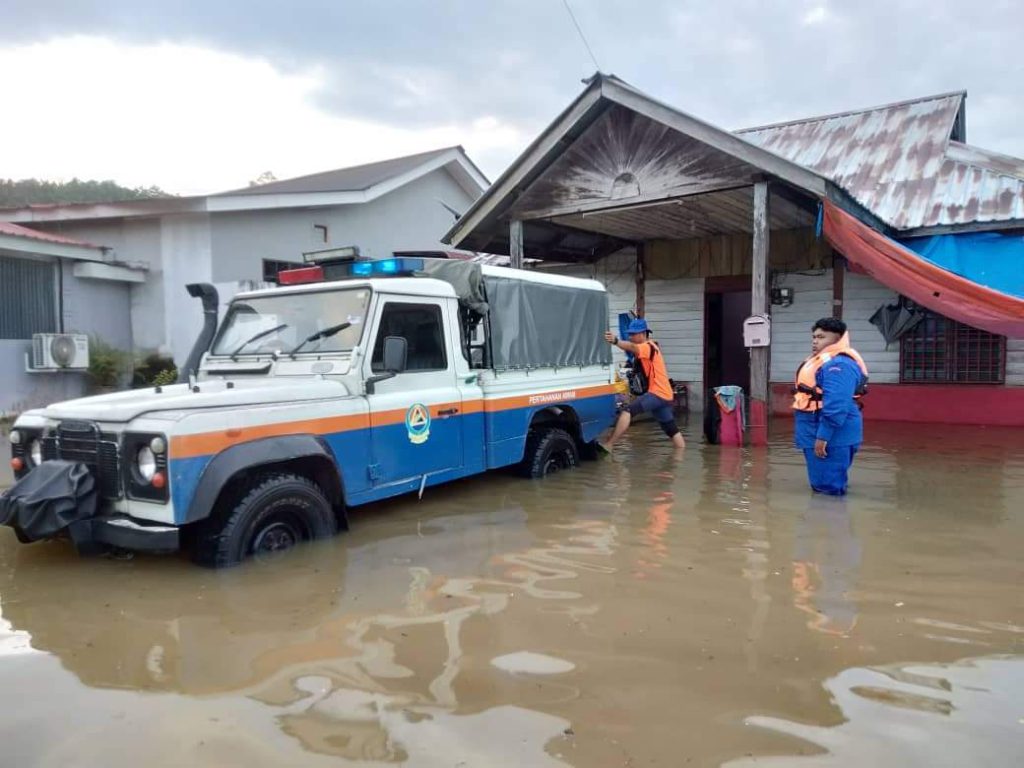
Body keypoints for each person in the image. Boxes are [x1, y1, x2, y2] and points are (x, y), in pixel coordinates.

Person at [793, 318, 869, 495]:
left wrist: (823, 436)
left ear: (837, 339)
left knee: (826, 489)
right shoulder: (825, 361)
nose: (815, 341)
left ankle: (827, 520)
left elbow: (836, 404)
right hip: (819, 427)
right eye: (814, 337)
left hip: (829, 433)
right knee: (828, 482)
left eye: (821, 337)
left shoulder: (838, 364)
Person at [599, 318, 685, 451]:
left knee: (628, 411)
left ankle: (609, 445)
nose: (631, 337)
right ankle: (680, 456)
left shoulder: (647, 346)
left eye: (633, 334)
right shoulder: (651, 348)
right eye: (630, 334)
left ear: (643, 334)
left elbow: (633, 347)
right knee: (671, 430)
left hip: (658, 394)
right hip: (665, 395)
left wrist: (616, 341)